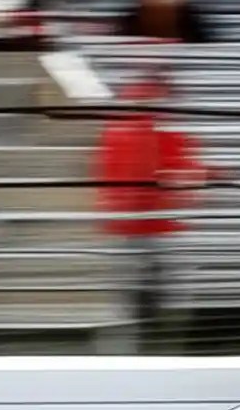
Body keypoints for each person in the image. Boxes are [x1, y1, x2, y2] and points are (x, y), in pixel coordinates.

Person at [93, 70, 218, 337]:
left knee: (138, 283)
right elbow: (174, 167)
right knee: (152, 281)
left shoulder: (123, 127)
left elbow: (179, 165)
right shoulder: (155, 129)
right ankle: (154, 332)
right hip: (150, 220)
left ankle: (137, 331)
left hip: (134, 221)